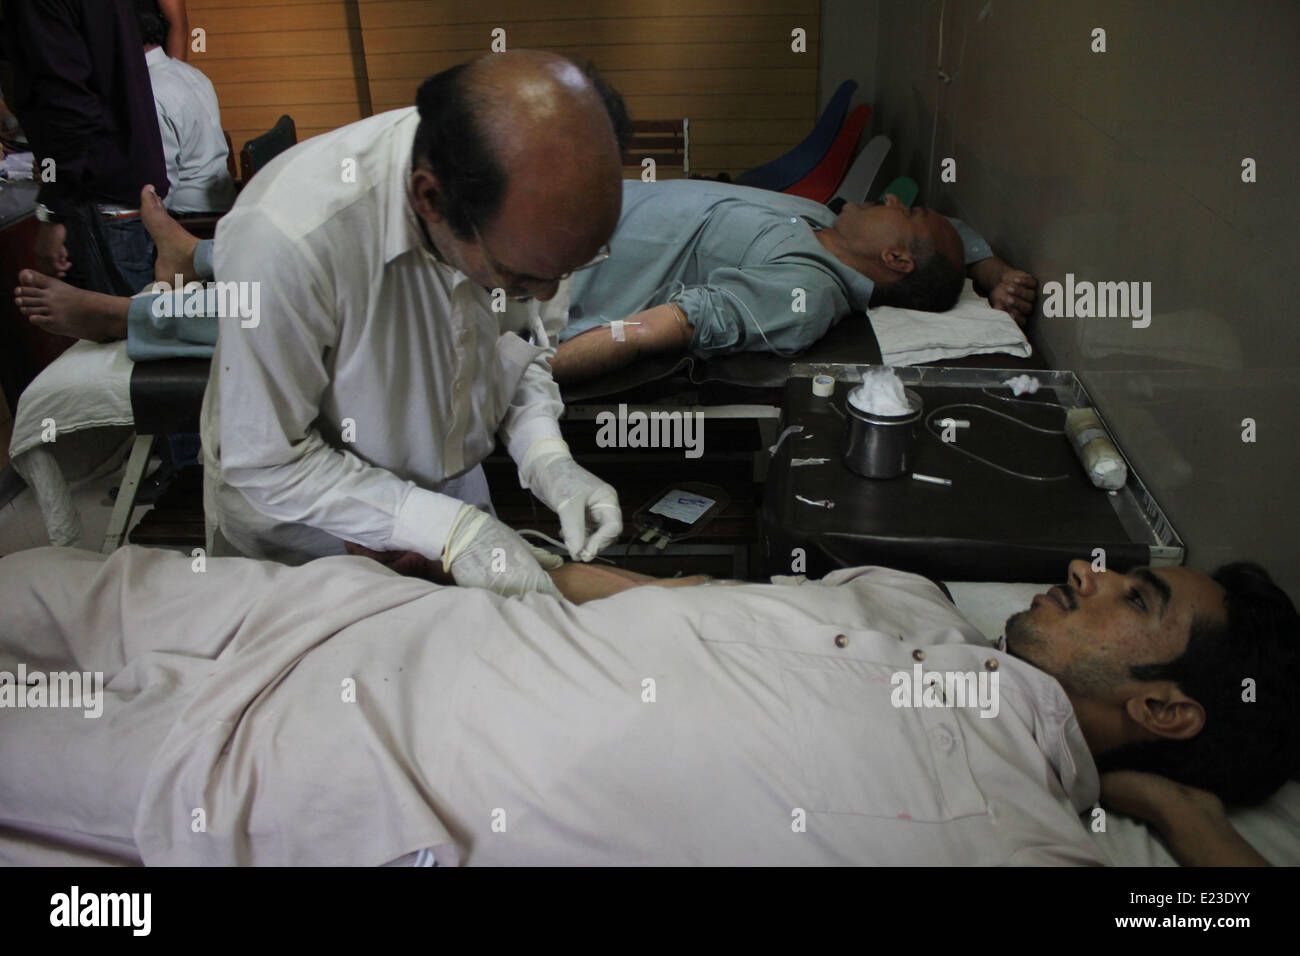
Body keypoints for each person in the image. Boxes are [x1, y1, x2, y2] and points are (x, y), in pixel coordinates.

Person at [0, 546, 1293, 865]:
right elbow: (660, 585)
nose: (1089, 571)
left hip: (332, 766)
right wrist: (482, 552)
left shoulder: (1010, 835)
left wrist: (1180, 818)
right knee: (52, 588)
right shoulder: (909, 600)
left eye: (1137, 602)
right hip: (347, 616)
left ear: (1173, 711)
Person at [202, 51, 627, 598]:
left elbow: (520, 346)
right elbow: (266, 460)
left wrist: (548, 457)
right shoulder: (289, 237)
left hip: (447, 496)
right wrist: (451, 531)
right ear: (431, 200)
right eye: (522, 277)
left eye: (565, 272)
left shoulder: (538, 207)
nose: (545, 293)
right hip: (306, 531)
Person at [549, 179, 1037, 384]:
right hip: (566, 205)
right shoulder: (823, 220)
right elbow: (954, 233)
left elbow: (651, 331)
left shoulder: (805, 291)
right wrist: (991, 269)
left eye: (904, 211)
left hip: (538, 266)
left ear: (895, 259)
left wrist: (521, 378)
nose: (891, 197)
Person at [2, 0, 170, 295]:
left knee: (122, 332)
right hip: (134, 188)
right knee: (145, 328)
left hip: (98, 195)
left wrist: (51, 210)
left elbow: (64, 115)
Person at [136, 0, 235, 214]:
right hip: (221, 202)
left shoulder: (150, 91)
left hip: (188, 218)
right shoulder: (194, 75)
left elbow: (159, 190)